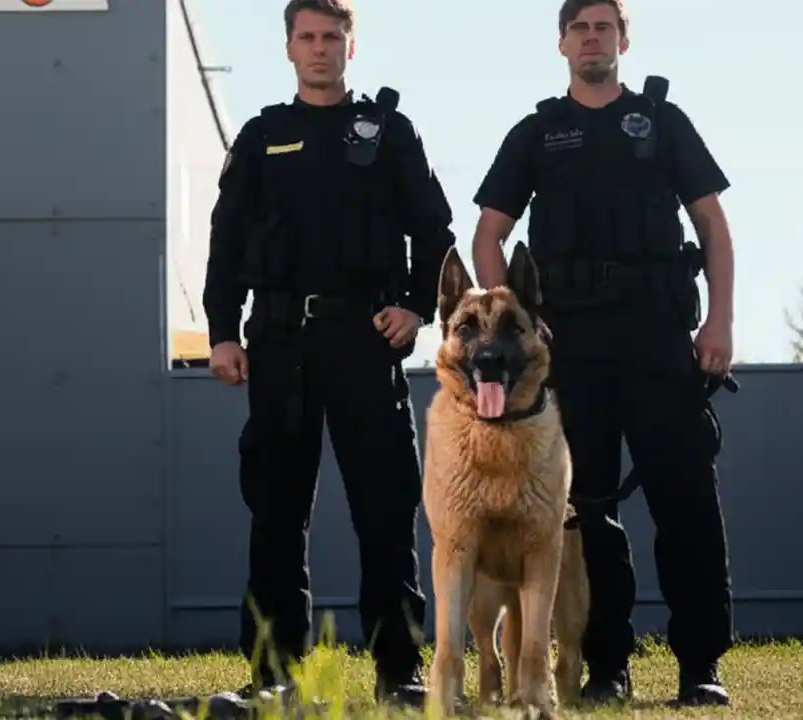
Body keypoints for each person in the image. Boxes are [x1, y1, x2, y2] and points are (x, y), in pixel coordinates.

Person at [468, 0, 737, 708]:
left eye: (604, 27)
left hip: (657, 339)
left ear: (624, 38)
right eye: (580, 28)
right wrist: (515, 328)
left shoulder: (663, 123)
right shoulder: (537, 132)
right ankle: (607, 665)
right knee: (586, 513)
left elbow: (712, 222)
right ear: (561, 43)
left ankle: (700, 666)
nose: (592, 39)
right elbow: (488, 233)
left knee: (686, 504)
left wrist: (720, 324)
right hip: (569, 351)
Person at [201, 0, 456, 708]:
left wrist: (418, 308)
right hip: (280, 343)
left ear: (351, 46)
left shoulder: (389, 133)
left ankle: (398, 668)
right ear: (288, 48)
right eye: (307, 38)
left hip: (365, 341)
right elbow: (227, 240)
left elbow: (435, 231)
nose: (319, 49)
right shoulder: (262, 136)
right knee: (277, 513)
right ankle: (273, 671)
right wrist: (223, 328)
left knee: (386, 507)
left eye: (332, 37)